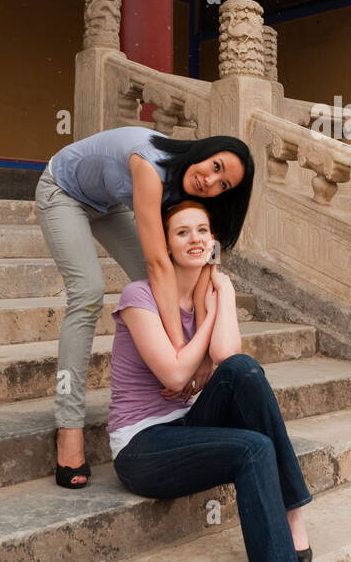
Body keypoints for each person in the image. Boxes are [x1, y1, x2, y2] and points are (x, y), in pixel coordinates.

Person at [109, 198, 350, 562]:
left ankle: (292, 512)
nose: (196, 239)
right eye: (182, 232)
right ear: (165, 244)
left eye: (203, 229)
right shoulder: (138, 297)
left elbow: (227, 354)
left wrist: (221, 293)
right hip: (144, 447)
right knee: (252, 449)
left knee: (244, 370)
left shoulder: (216, 285)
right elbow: (176, 375)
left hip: (187, 423)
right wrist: (198, 347)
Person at [34, 126, 253, 489]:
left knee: (174, 280)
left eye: (223, 184)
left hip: (109, 202)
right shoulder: (150, 165)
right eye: (215, 166)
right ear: (204, 150)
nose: (210, 182)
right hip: (63, 190)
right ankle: (68, 425)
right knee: (89, 293)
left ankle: (170, 375)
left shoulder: (192, 188)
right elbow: (157, 265)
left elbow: (206, 264)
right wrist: (182, 351)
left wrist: (205, 359)